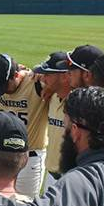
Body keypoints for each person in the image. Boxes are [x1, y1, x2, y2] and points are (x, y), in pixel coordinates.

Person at [0, 53, 50, 196]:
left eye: (4, 85)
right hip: (3, 156)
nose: (3, 91)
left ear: (15, 75)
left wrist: (42, 70)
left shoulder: (36, 83)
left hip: (30, 158)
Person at [33, 51, 71, 184]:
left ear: (65, 76)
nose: (43, 78)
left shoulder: (82, 102)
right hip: (51, 175)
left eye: (48, 74)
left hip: (71, 178)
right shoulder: (53, 96)